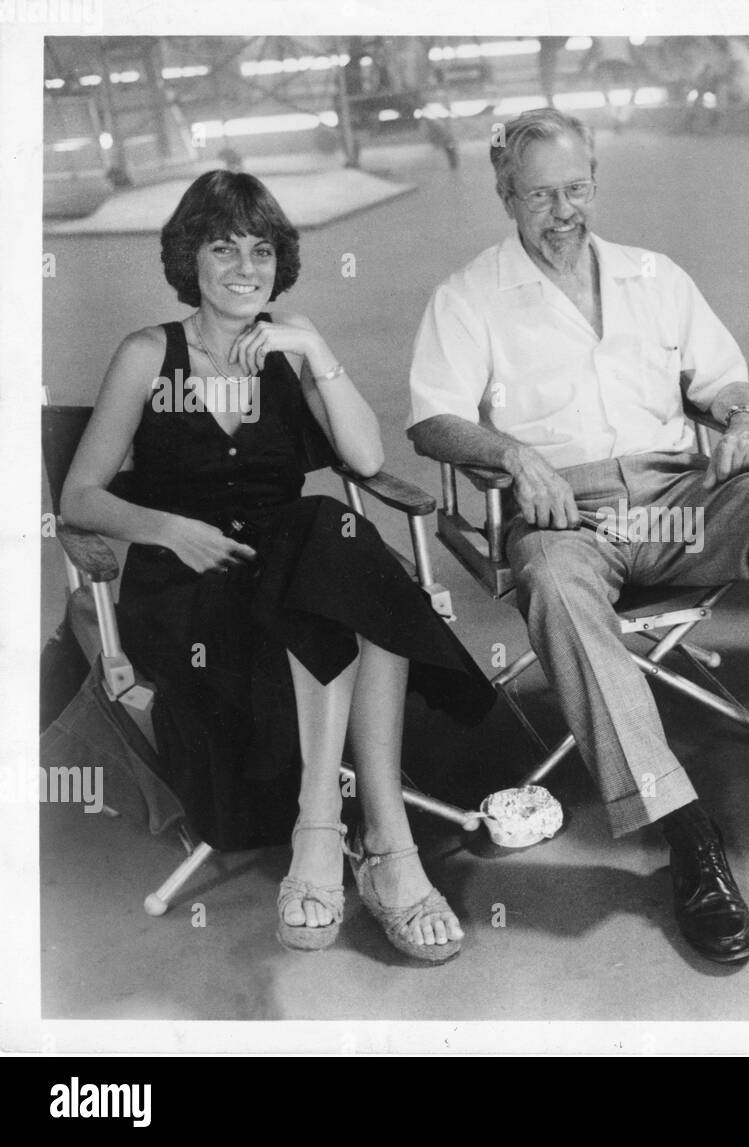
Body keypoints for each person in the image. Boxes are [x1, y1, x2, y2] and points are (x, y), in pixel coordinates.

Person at [406, 109, 749, 966]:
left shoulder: (651, 276)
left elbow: (724, 379)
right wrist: (514, 456)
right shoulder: (468, 295)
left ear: (597, 182)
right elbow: (434, 419)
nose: (564, 210)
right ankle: (681, 823)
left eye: (578, 189)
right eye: (543, 194)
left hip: (679, 494)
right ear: (505, 193)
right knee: (553, 583)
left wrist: (739, 415)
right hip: (567, 515)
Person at [60, 171, 494, 962]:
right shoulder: (147, 354)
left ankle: (327, 828)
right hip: (192, 597)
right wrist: (168, 528)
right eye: (222, 247)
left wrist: (315, 346)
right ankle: (384, 842)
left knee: (324, 535)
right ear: (189, 257)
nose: (243, 266)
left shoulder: (288, 351)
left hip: (295, 567)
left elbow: (364, 457)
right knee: (339, 560)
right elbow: (81, 496)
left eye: (261, 249)